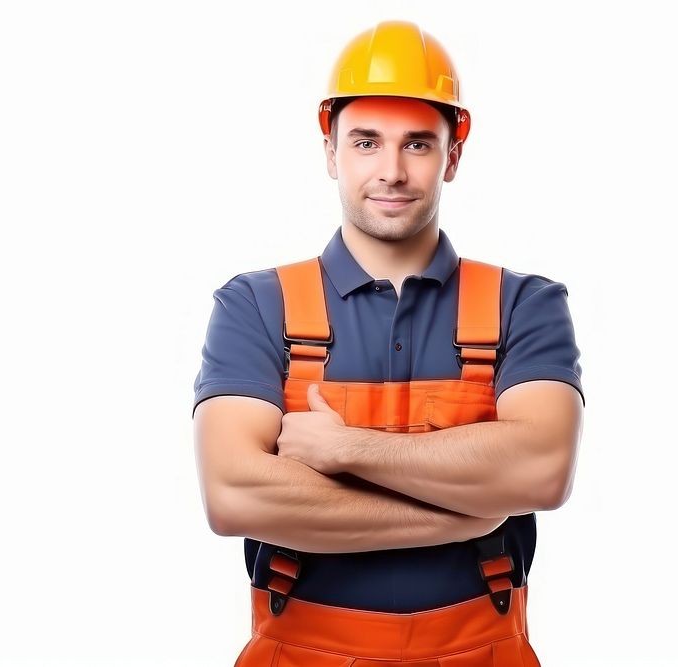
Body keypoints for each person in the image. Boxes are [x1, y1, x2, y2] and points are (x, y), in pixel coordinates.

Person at [192, 19, 585, 666]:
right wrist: (464, 512)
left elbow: (541, 468)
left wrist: (346, 448)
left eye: (419, 144)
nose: (392, 171)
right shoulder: (256, 306)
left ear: (452, 155)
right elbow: (235, 493)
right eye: (367, 142)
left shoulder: (525, 304)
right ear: (330, 150)